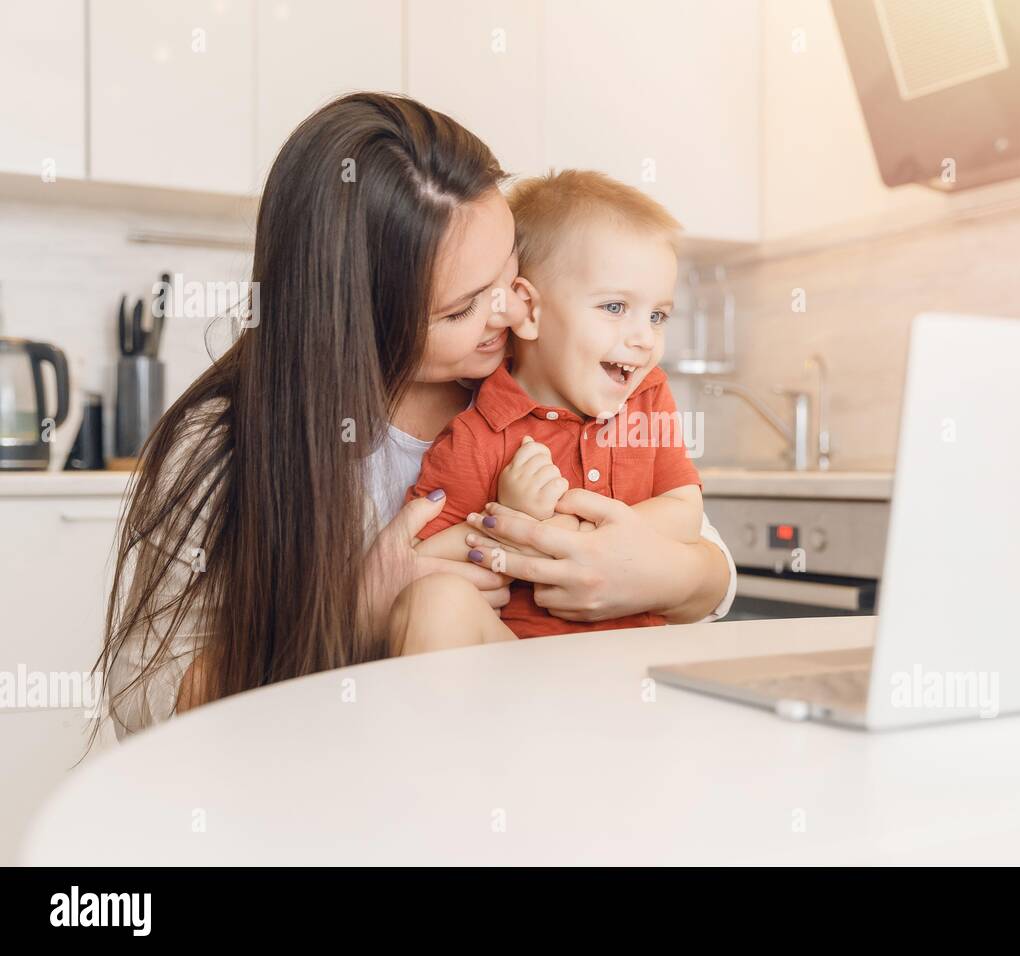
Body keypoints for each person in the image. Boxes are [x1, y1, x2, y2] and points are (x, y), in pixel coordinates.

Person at [96, 93, 736, 741]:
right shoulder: (227, 439)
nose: (505, 314)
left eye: (509, 274)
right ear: (354, 317)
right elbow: (142, 692)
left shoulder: (540, 372)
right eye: (460, 311)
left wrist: (666, 573)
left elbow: (707, 564)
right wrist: (354, 612)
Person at [406, 170, 703, 639]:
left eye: (658, 315)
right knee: (434, 603)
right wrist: (511, 516)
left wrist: (575, 537)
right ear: (530, 309)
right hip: (520, 668)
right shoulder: (477, 432)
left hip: (634, 662)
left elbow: (686, 509)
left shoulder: (648, 397)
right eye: (614, 307)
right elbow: (424, 562)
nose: (644, 337)